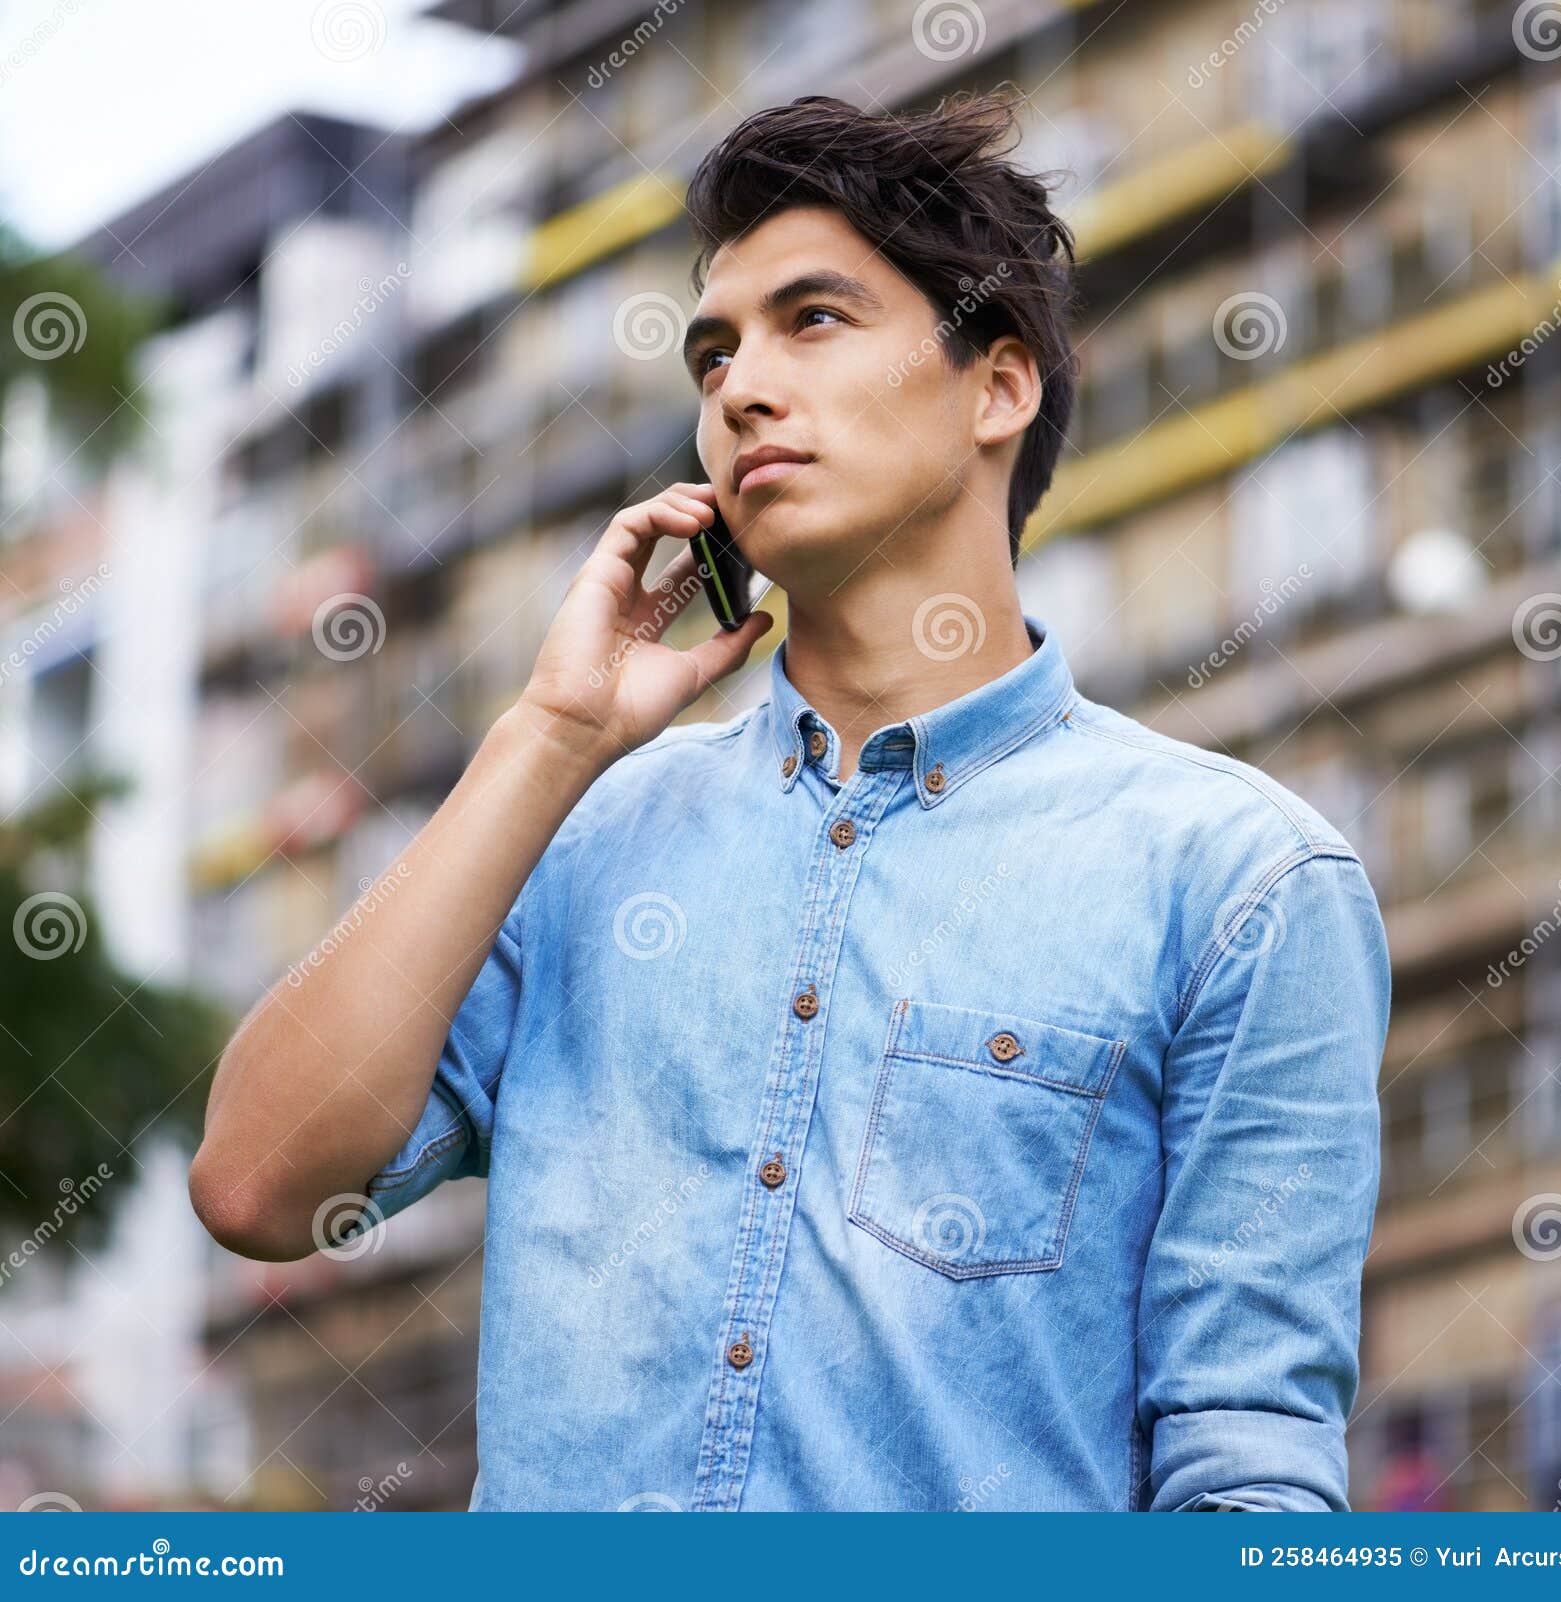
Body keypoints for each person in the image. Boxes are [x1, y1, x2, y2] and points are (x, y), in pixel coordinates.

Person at [190, 89, 1391, 1512]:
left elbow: (1246, 1466)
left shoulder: (1239, 880)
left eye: (813, 321)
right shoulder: (579, 849)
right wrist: (550, 734)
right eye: (714, 353)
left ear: (997, 387)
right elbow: (260, 1186)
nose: (742, 387)